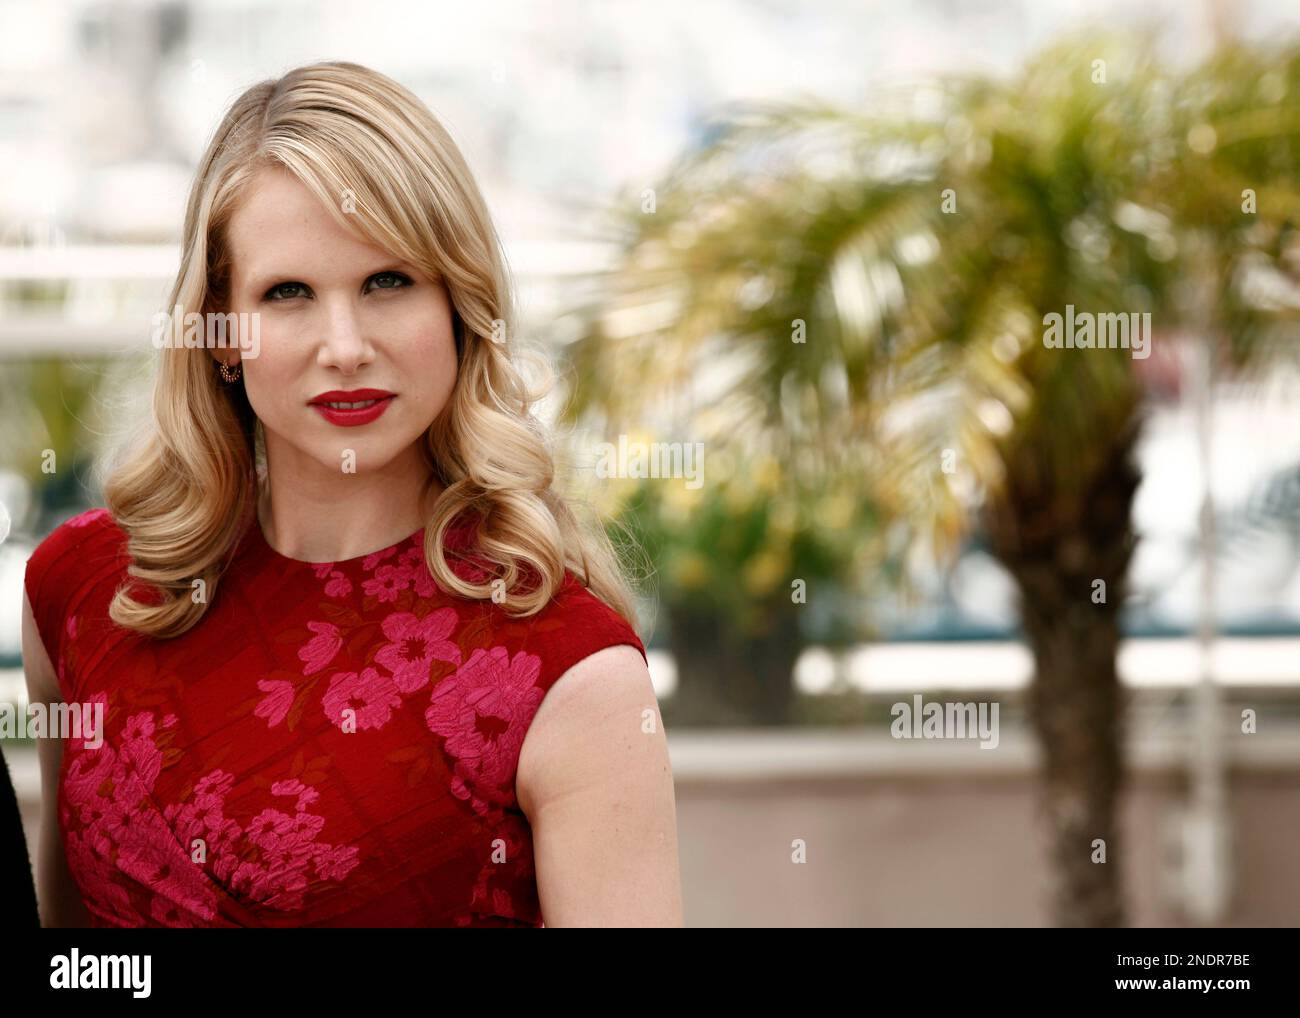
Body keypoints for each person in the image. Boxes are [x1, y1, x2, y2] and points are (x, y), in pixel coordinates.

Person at [21, 61, 682, 927]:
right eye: (288, 293)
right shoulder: (82, 591)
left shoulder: (573, 676)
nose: (344, 346)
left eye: (388, 282)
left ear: (459, 304)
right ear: (221, 330)